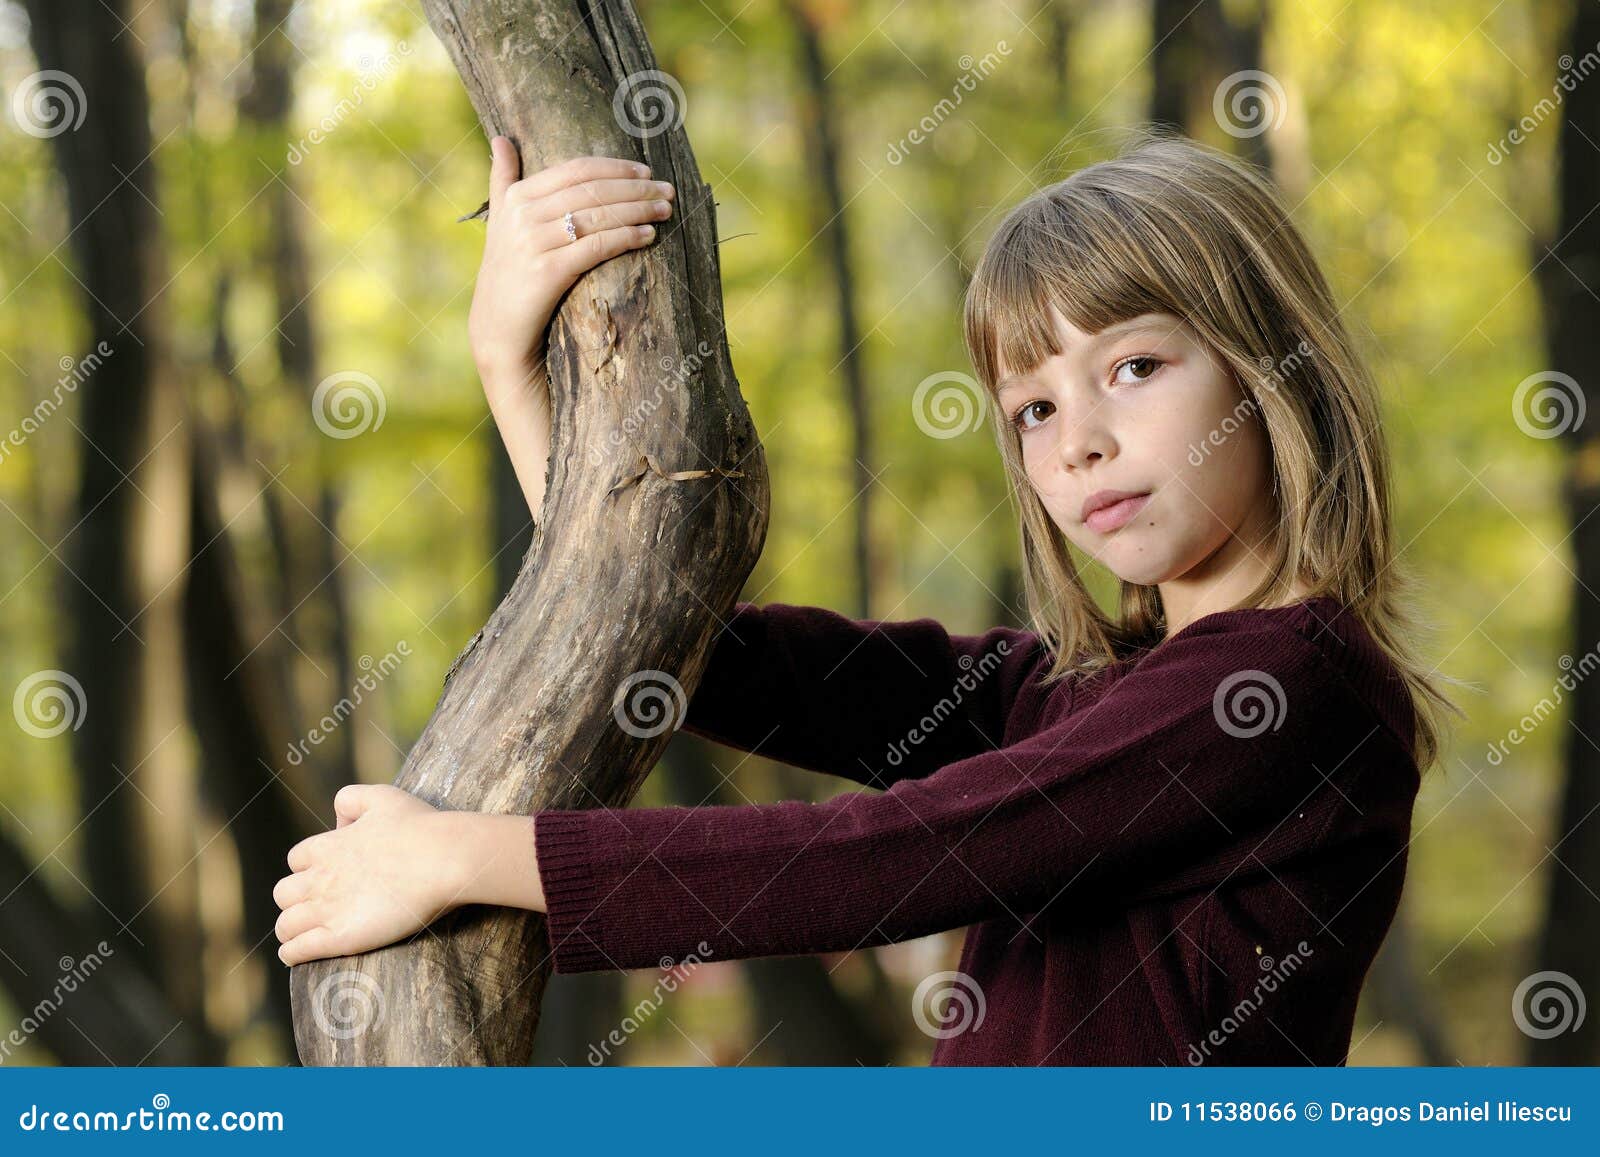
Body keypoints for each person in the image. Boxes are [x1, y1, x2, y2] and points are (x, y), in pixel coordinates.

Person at [273, 129, 1467, 1065]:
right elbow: (696, 654)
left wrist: (464, 857)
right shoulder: (1076, 694)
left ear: (1270, 368)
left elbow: (896, 856)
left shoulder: (1284, 692)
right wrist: (511, 367)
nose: (1080, 443)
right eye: (1034, 407)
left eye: (1135, 366)